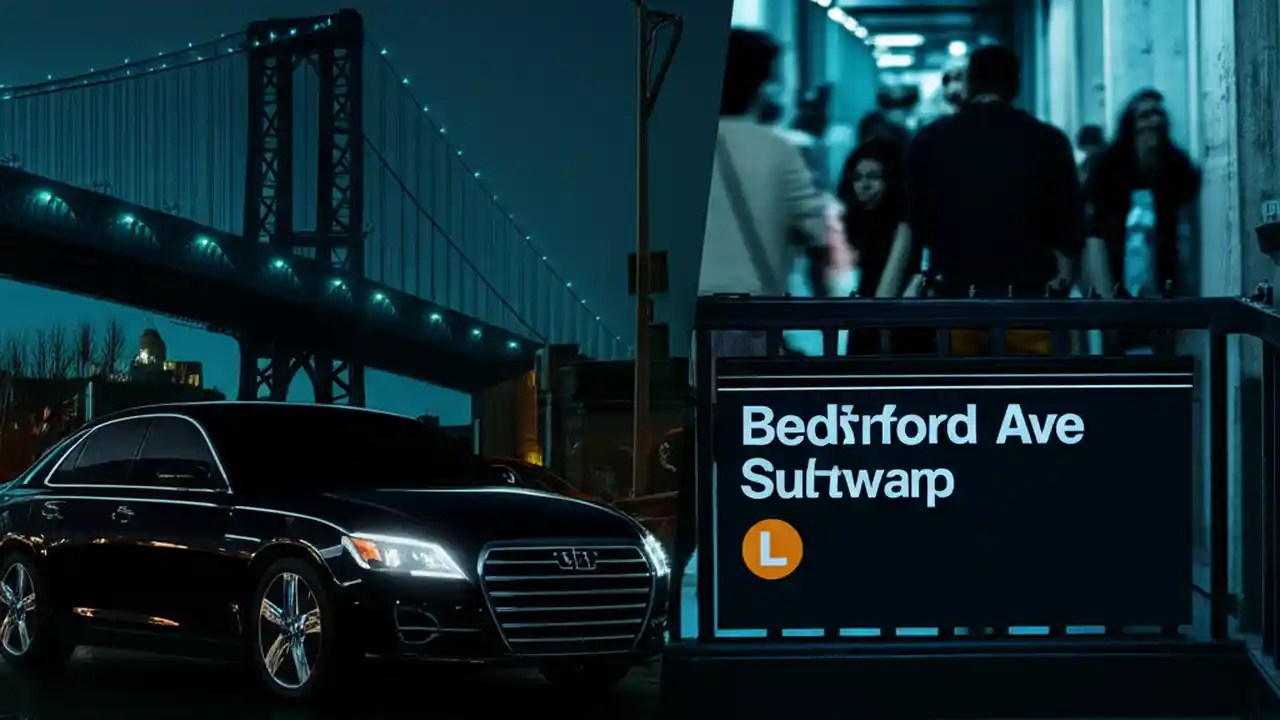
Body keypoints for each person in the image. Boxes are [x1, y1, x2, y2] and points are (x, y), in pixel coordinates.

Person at [905, 44, 1087, 356]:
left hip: (956, 298)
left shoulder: (931, 140)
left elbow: (917, 222)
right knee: (1033, 398)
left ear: (971, 82)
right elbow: (1070, 226)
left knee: (963, 398)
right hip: (1028, 299)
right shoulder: (1048, 140)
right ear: (1015, 85)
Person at [697, 29, 830, 352]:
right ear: (761, 85)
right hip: (751, 319)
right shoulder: (777, 150)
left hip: (682, 320)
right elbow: (817, 236)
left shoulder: (668, 146)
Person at [1082, 89, 1200, 300]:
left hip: (1163, 282)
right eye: (1145, 116)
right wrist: (1104, 292)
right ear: (1131, 124)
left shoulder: (1177, 168)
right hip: (1116, 276)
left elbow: (1187, 230)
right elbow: (1094, 236)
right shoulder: (1107, 167)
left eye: (1158, 115)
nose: (1153, 122)